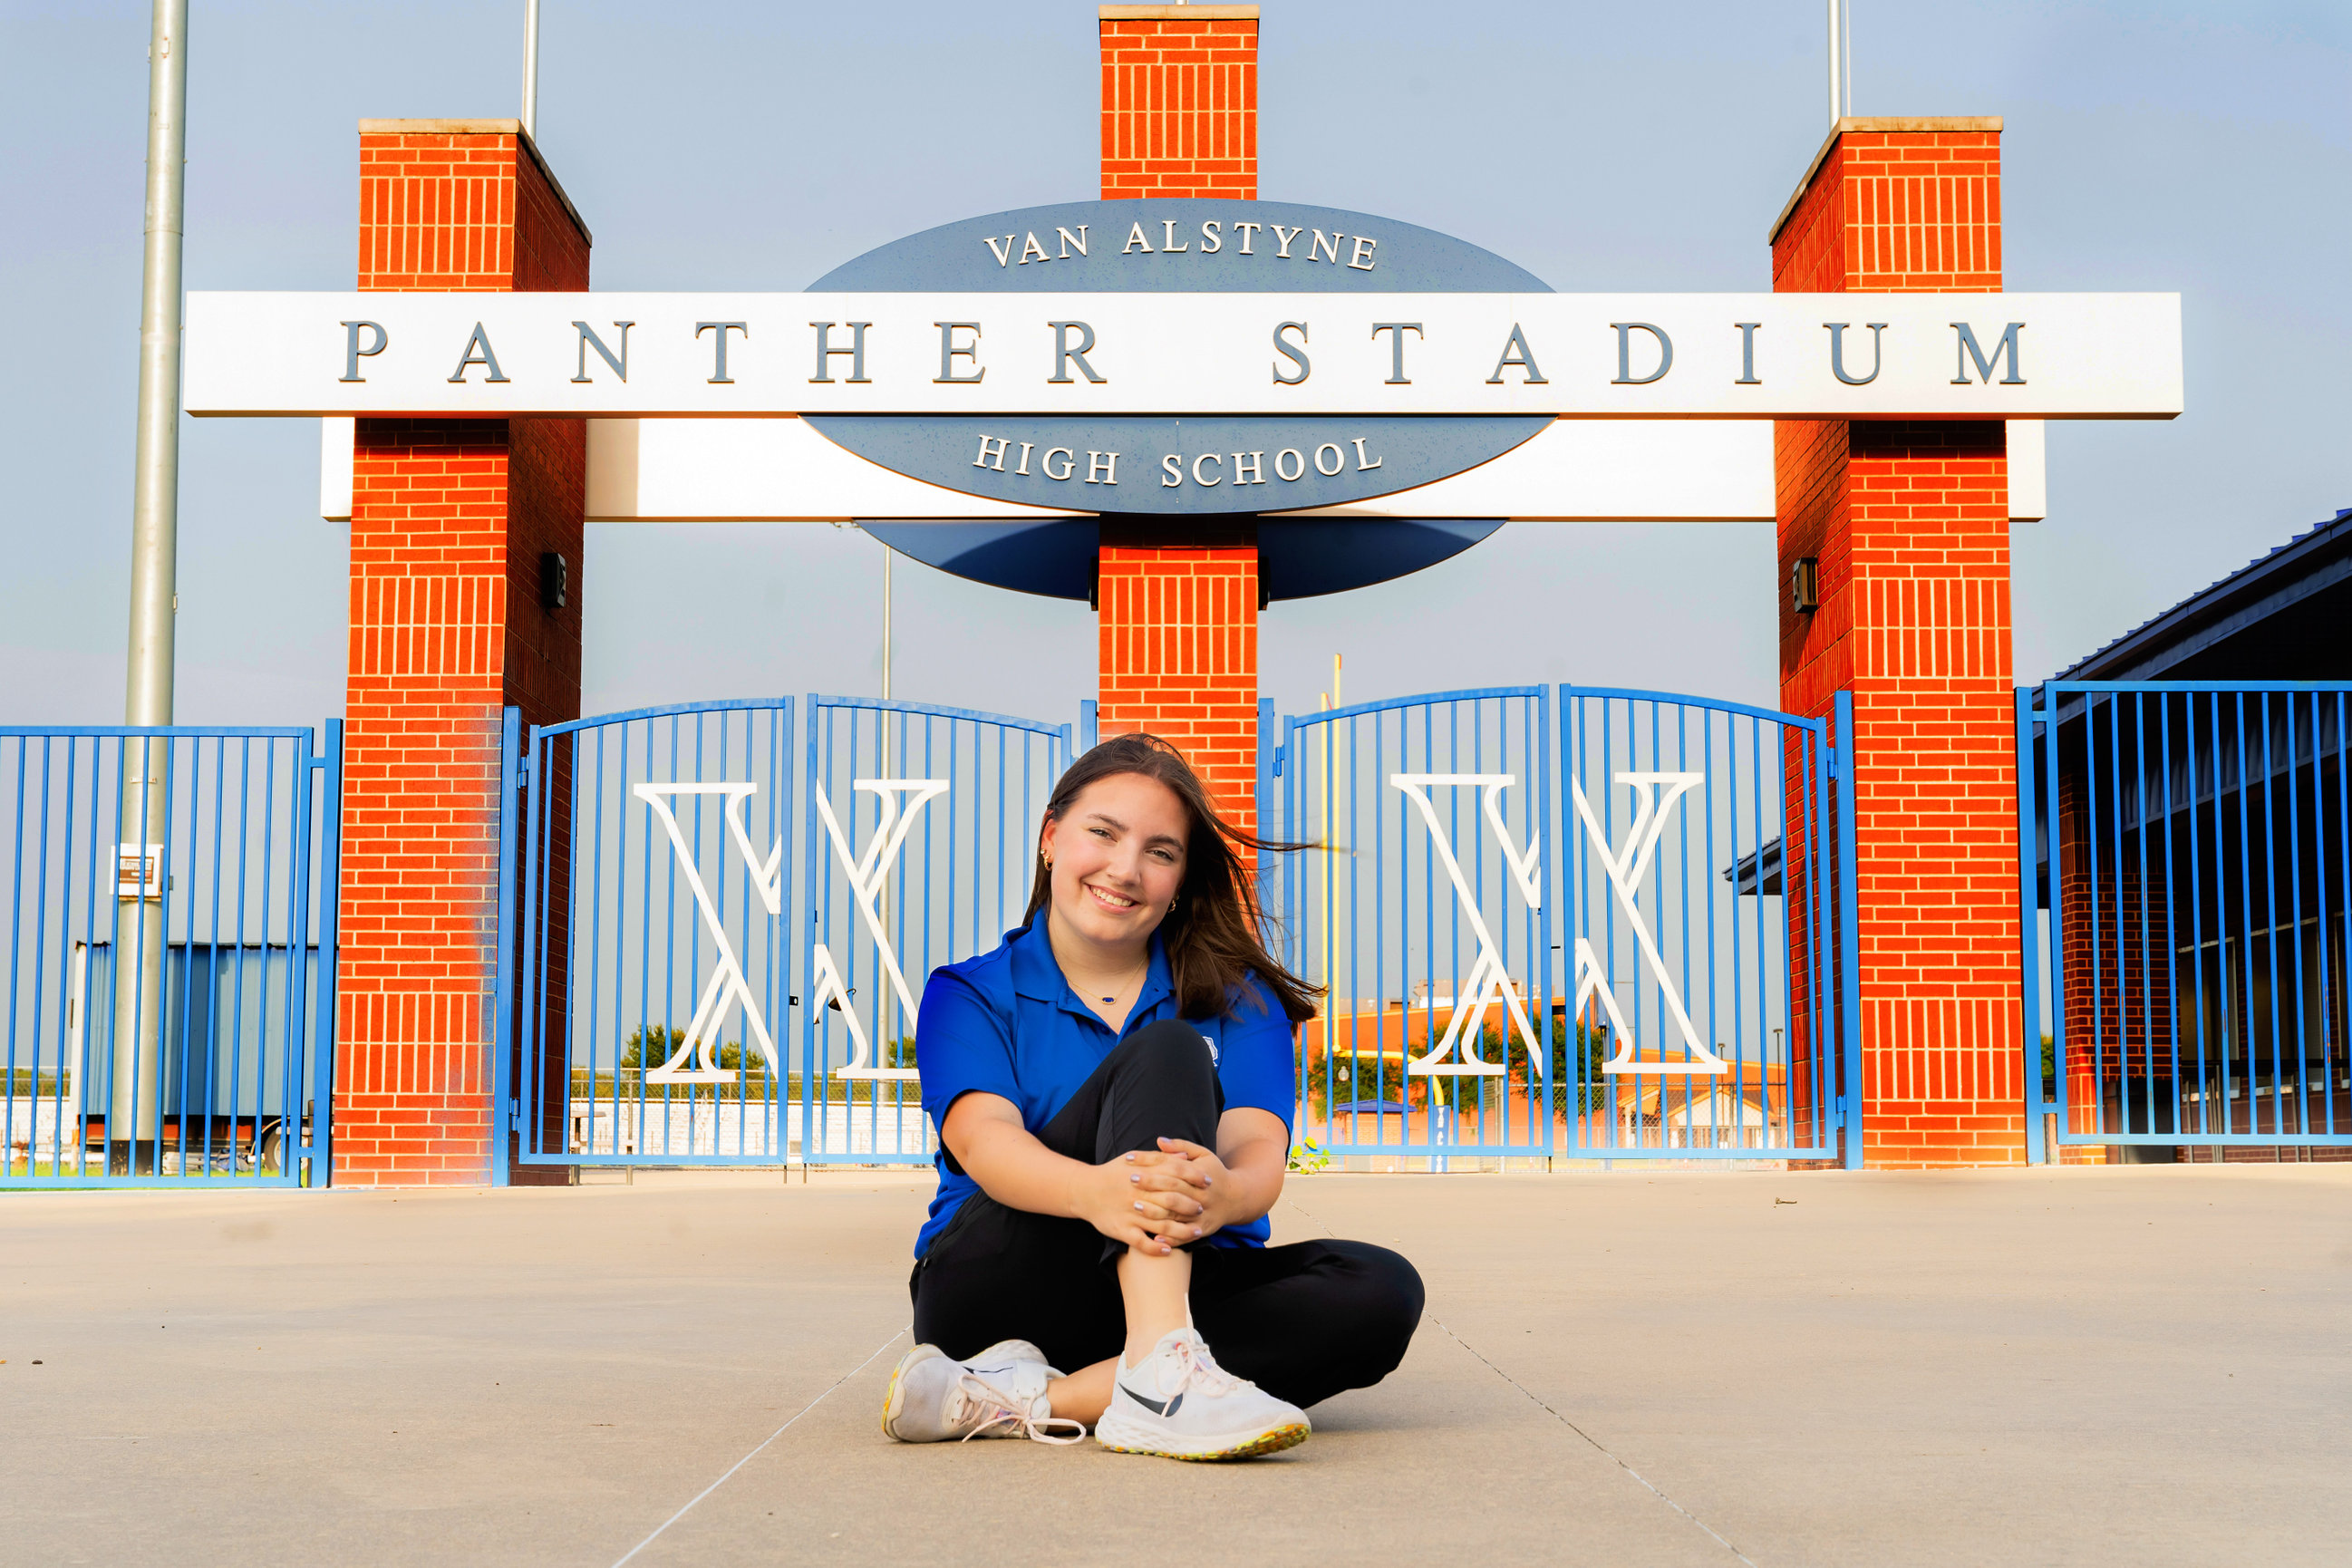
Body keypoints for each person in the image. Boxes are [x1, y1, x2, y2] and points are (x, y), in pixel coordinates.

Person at [880, 734, 1424, 1461]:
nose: (1125, 869)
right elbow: (985, 1142)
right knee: (1168, 1052)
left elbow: (1257, 1149)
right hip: (1007, 1293)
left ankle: (1043, 1396)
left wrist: (1225, 1198)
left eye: (1160, 852)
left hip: (1199, 1275)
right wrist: (1097, 1192)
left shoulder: (1241, 1001)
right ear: (1050, 839)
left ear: (1179, 878)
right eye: (1101, 834)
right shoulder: (972, 991)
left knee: (1380, 1289)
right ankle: (1164, 1373)